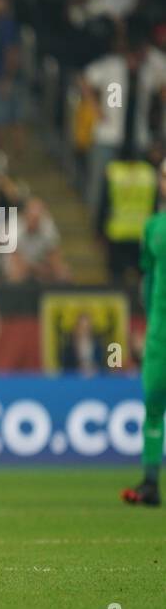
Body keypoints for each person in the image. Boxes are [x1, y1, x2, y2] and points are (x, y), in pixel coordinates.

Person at [123, 161, 166, 507]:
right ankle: (151, 483)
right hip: (159, 335)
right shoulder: (152, 226)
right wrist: (147, 324)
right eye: (164, 175)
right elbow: (148, 281)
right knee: (153, 402)